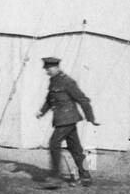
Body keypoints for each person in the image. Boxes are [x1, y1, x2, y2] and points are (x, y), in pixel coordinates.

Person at [37, 57, 98, 186]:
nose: (47, 71)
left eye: (48, 68)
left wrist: (90, 117)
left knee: (54, 144)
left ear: (56, 67)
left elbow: (82, 99)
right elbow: (50, 99)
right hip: (62, 120)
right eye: (46, 69)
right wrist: (42, 111)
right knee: (76, 148)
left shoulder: (67, 81)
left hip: (67, 119)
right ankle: (85, 177)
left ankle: (56, 177)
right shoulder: (53, 81)